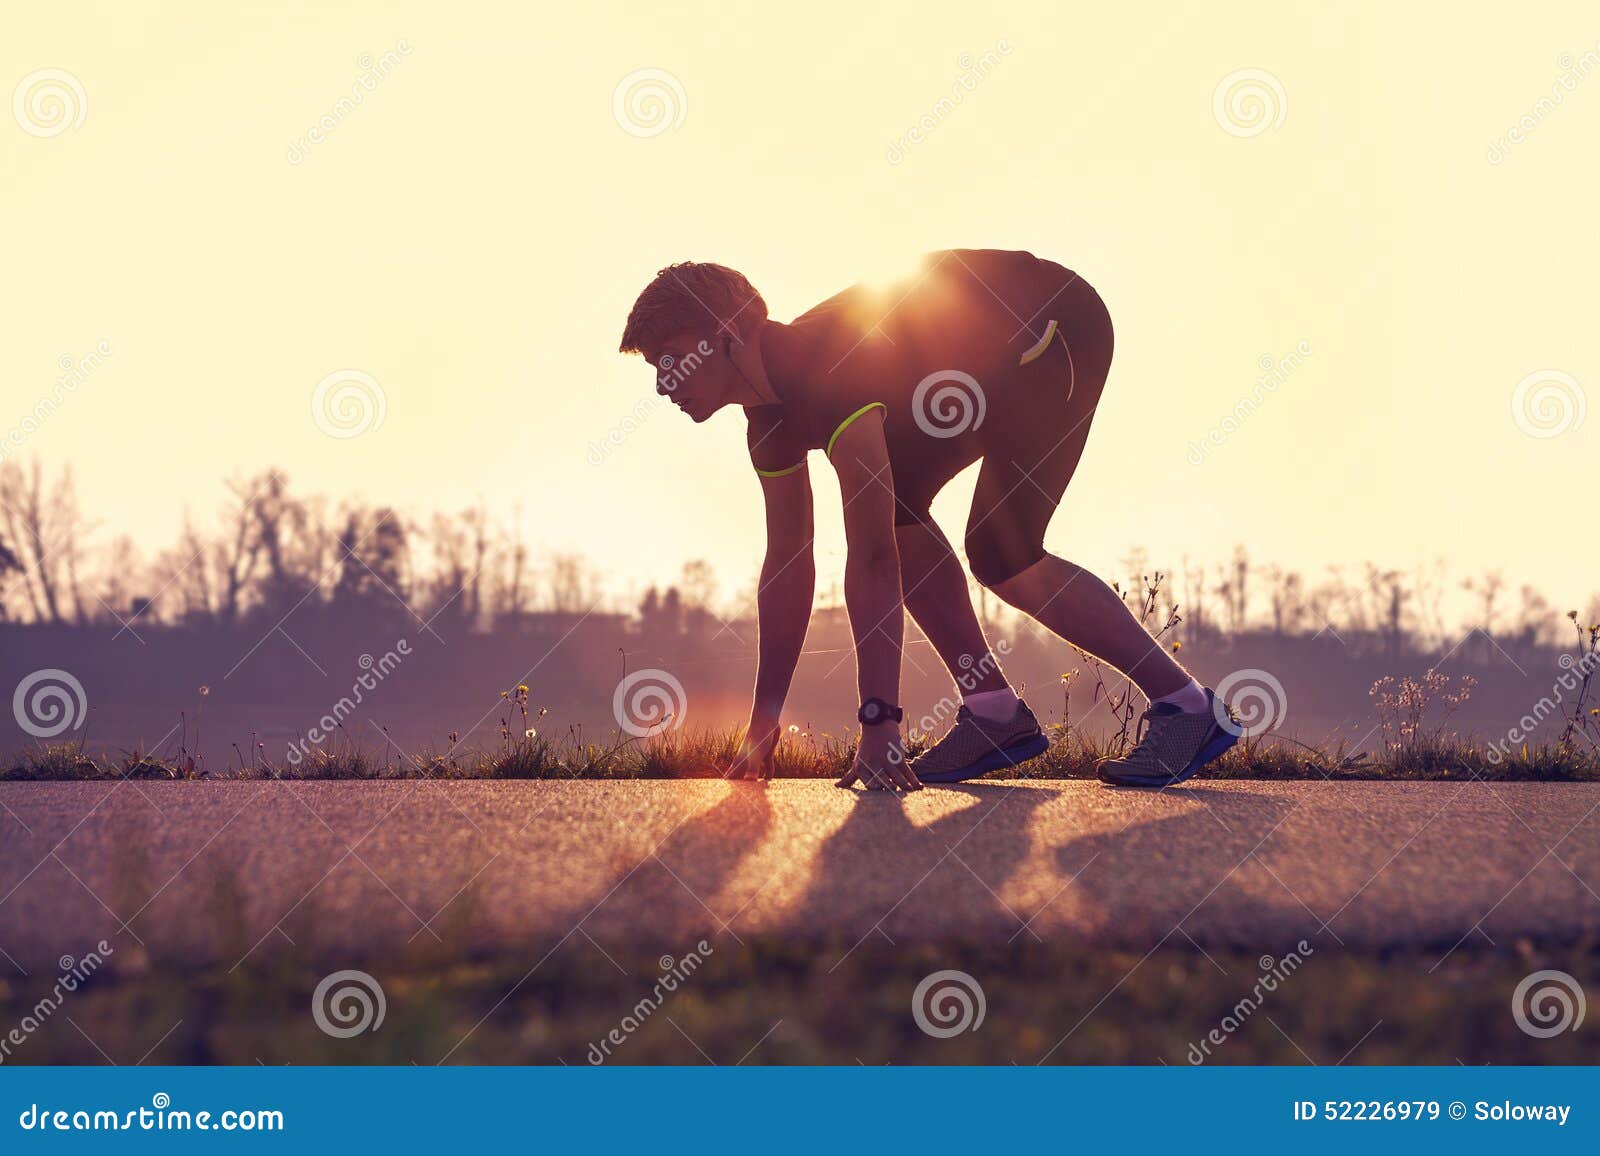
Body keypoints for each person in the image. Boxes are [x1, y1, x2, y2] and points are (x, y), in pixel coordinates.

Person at [618, 249, 1237, 790]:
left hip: (1051, 326)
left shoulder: (824, 368)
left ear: (726, 332)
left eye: (669, 358)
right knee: (900, 509)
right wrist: (764, 718)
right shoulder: (769, 427)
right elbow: (788, 565)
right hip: (961, 373)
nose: (662, 386)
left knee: (1003, 554)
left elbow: (872, 557)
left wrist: (879, 723)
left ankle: (1187, 707)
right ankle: (994, 714)